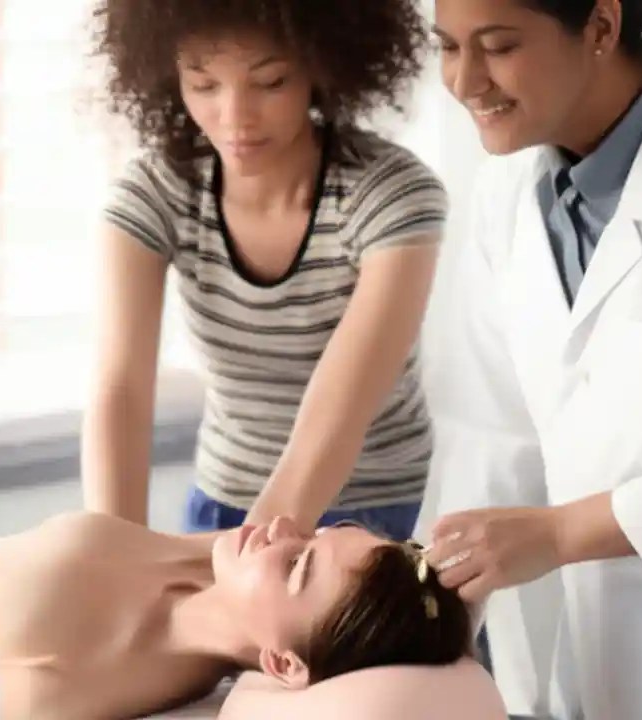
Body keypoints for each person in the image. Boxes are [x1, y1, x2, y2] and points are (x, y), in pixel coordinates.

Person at [424, 1, 642, 719]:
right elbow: (490, 436)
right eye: (448, 47)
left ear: (603, 26)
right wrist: (430, 607)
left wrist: (557, 535)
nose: (463, 80)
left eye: (498, 46)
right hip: (555, 673)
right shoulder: (508, 197)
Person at [81, 0, 449, 541]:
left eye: (271, 82)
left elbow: (340, 408)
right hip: (223, 500)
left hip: (378, 518)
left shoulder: (391, 195)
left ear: (319, 71)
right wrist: (113, 555)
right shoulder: (157, 193)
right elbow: (122, 390)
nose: (235, 118)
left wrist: (253, 562)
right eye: (204, 85)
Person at [0, 511, 485, 719]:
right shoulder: (215, 562)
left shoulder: (67, 675)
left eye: (297, 566)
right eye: (316, 534)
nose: (284, 525)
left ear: (285, 664)